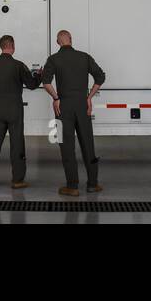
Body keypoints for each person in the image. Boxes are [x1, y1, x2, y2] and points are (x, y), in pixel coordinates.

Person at [40, 30, 106, 196]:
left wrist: (56, 98)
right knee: (88, 144)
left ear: (57, 42)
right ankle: (93, 184)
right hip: (82, 106)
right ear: (71, 40)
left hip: (63, 108)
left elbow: (45, 82)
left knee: (65, 145)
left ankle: (72, 186)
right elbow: (100, 77)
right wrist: (89, 97)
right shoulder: (85, 57)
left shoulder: (53, 59)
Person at [0, 34, 41, 188]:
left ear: (1, 46)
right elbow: (31, 84)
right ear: (12, 46)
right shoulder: (18, 65)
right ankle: (18, 180)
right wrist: (39, 76)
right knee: (17, 144)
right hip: (14, 109)